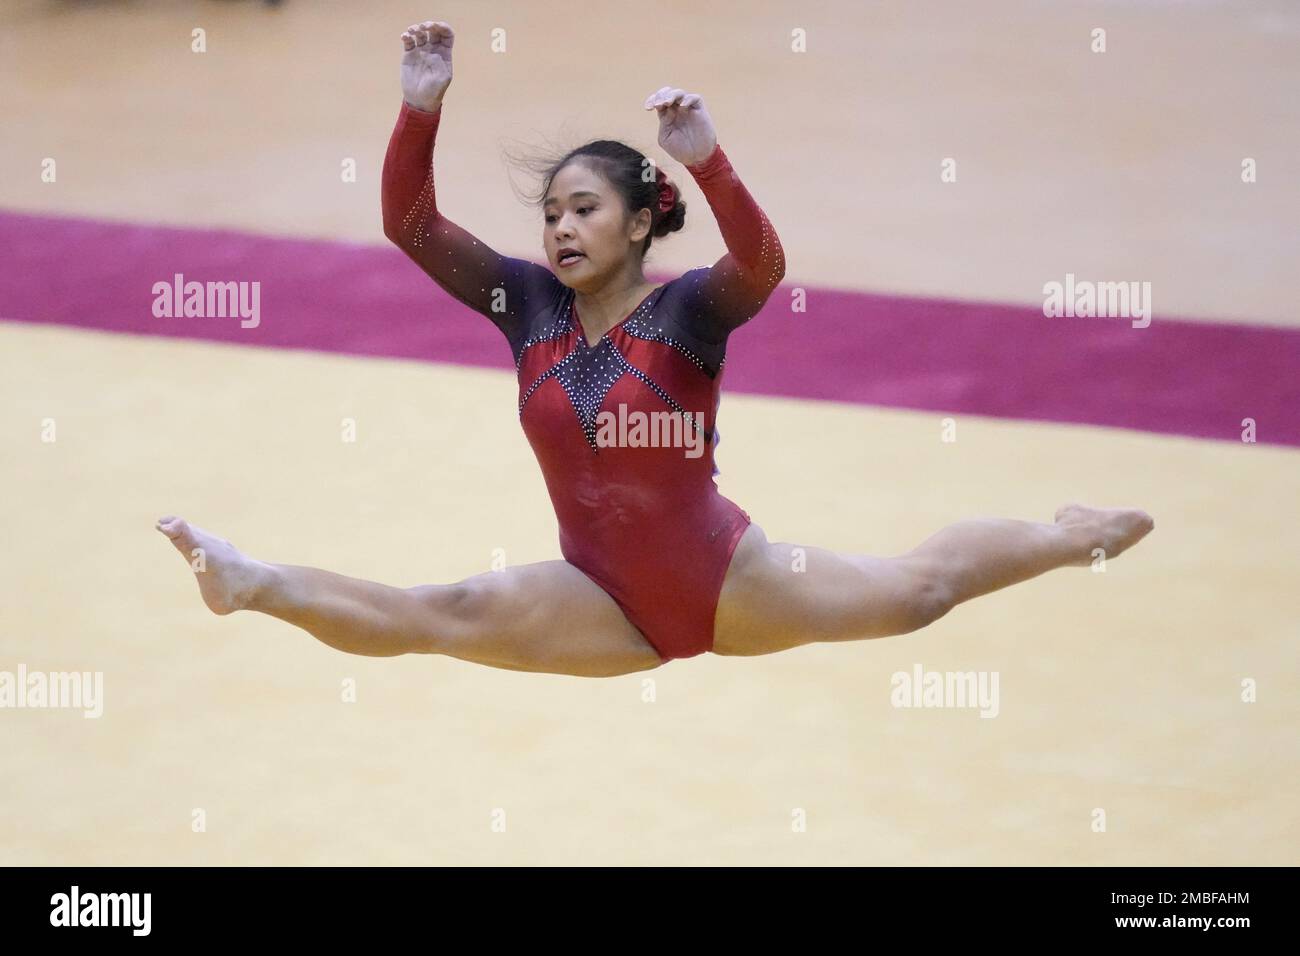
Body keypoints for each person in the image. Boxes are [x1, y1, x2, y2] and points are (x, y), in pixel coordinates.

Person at [156, 20, 1153, 678]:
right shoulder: (524, 303)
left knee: (919, 595)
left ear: (637, 224)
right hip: (596, 594)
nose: (559, 229)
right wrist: (422, 105)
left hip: (731, 580)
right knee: (439, 611)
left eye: (583, 209)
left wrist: (709, 160)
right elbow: (410, 224)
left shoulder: (685, 315)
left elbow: (761, 264)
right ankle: (251, 580)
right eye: (550, 213)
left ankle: (1073, 533)